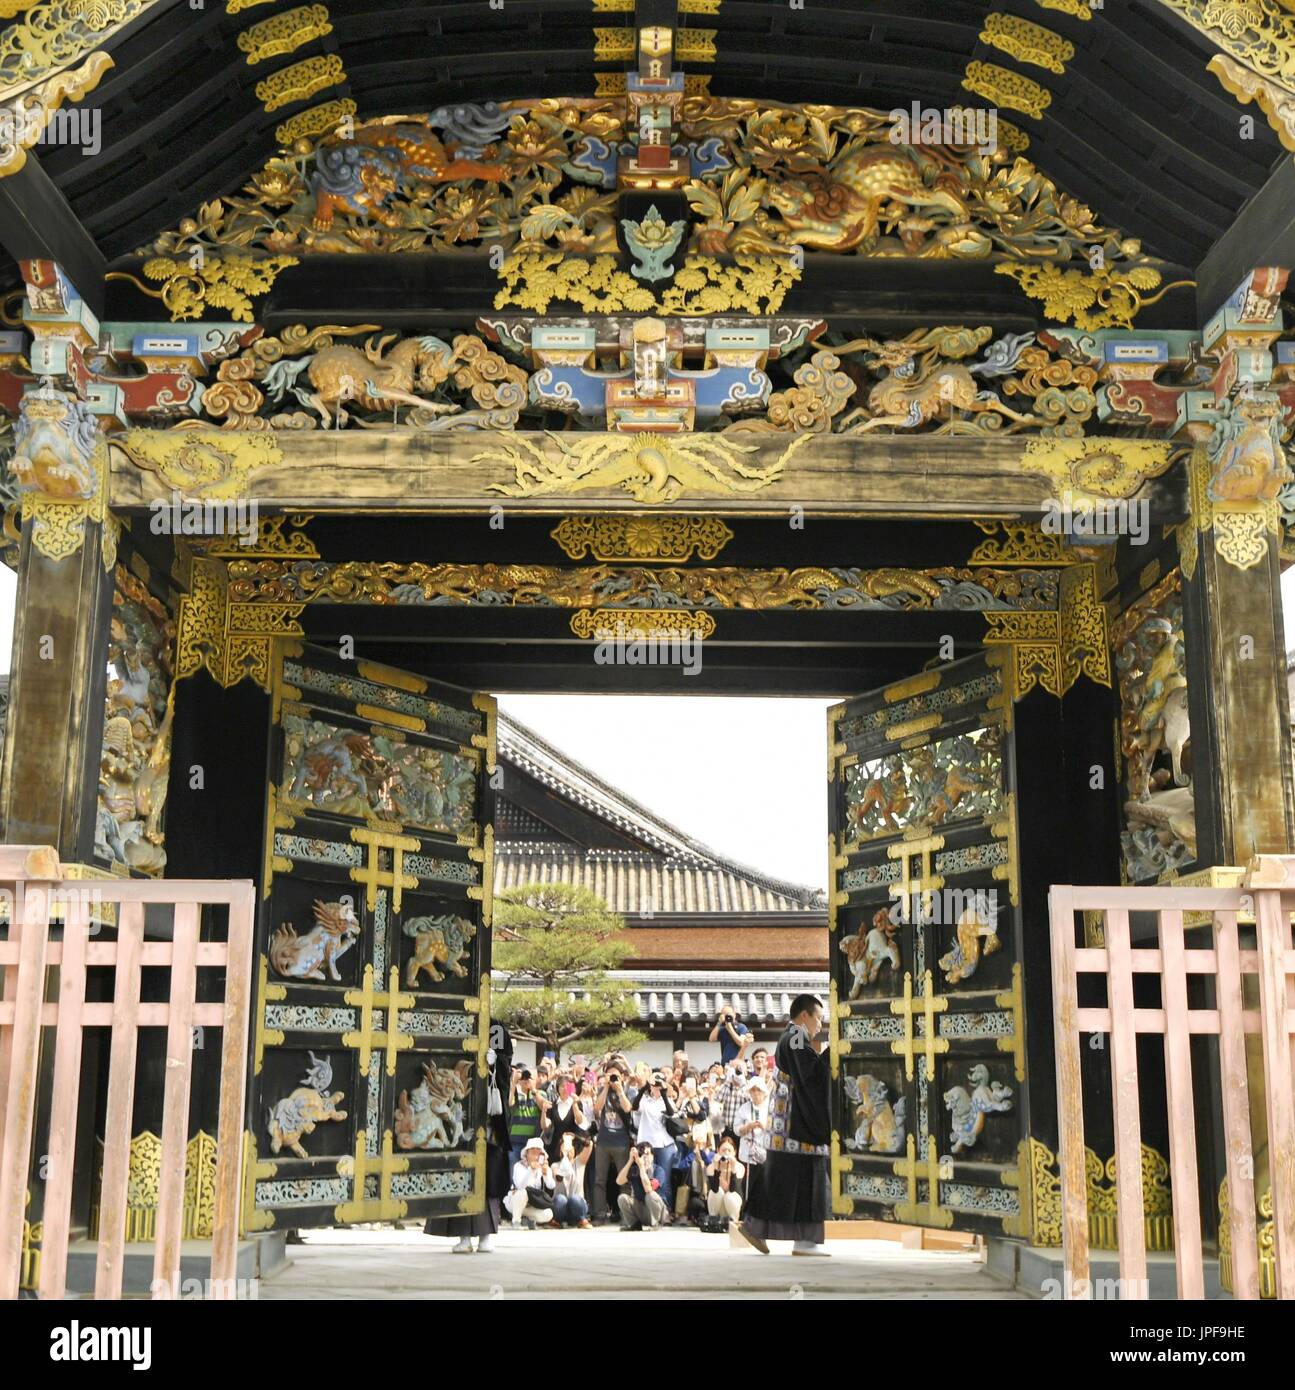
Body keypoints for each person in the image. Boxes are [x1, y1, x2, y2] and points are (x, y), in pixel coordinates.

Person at [733, 994, 832, 1258]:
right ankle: (804, 1242)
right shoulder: (797, 1037)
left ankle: (756, 1226)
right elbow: (811, 1073)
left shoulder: (788, 1038)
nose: (820, 1026)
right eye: (819, 1019)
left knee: (778, 1182)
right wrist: (835, 1051)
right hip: (796, 1127)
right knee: (801, 1182)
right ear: (804, 1016)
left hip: (786, 1127)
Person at [424, 1021, 513, 1253]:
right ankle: (463, 1235)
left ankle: (485, 1236)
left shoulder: (495, 1028)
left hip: (485, 1114)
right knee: (459, 1172)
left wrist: (498, 1062)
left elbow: (506, 1065)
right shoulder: (456, 1020)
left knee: (487, 1176)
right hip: (458, 1106)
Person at [591, 1062, 634, 1222]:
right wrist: (607, 1087)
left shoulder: (628, 1090)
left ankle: (626, 1214)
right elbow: (597, 1108)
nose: (613, 1078)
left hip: (621, 1142)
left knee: (624, 1180)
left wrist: (619, 1090)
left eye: (616, 1075)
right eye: (610, 1075)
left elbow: (628, 1108)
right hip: (603, 1141)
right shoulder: (604, 1090)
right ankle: (599, 1214)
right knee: (599, 1180)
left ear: (622, 1077)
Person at [632, 1071, 679, 1211]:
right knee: (644, 1176)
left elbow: (671, 1113)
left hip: (664, 1144)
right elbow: (634, 1107)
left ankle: (665, 1210)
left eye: (660, 1082)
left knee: (663, 1179)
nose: (657, 1085)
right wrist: (645, 1086)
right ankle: (646, 1209)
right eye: (655, 1083)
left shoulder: (668, 1100)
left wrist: (664, 1093)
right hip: (646, 1144)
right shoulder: (644, 1099)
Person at [734, 1074, 769, 1215]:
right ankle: (746, 1213)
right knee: (748, 1183)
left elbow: (777, 1129)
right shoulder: (744, 1108)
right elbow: (736, 1129)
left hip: (764, 1150)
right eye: (753, 1090)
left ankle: (763, 1212)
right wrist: (747, 1127)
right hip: (748, 1150)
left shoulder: (769, 1107)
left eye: (758, 1090)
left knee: (764, 1182)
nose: (755, 1093)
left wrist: (764, 1126)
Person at [506, 1137, 557, 1228]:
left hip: (533, 1203)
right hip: (515, 1201)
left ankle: (530, 1219)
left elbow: (551, 1186)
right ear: (527, 1153)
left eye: (538, 1150)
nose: (535, 1152)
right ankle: (516, 1221)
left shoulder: (544, 1167)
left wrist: (546, 1175)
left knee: (548, 1214)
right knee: (522, 1193)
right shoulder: (519, 1166)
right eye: (532, 1150)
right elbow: (521, 1186)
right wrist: (531, 1170)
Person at [616, 1142, 667, 1231]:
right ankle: (635, 1225)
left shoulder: (659, 1170)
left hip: (658, 1212)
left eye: (647, 1154)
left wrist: (642, 1167)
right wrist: (630, 1160)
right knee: (622, 1198)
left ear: (653, 1156)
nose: (645, 1157)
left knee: (650, 1195)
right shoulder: (635, 1170)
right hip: (642, 1210)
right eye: (642, 1154)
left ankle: (656, 1224)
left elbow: (648, 1189)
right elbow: (619, 1181)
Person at [553, 1133, 592, 1228]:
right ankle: (558, 1222)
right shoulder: (555, 1166)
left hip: (577, 1206)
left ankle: (582, 1219)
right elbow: (558, 1178)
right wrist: (565, 1158)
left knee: (574, 1198)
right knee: (560, 1199)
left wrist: (575, 1137)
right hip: (562, 1209)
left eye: (570, 1148)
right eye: (565, 1148)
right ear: (560, 1151)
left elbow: (589, 1144)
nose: (568, 1150)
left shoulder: (580, 1162)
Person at [508, 1068, 546, 1167]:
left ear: (536, 1079)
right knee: (515, 1175)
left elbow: (543, 1106)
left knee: (532, 1175)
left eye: (529, 1077)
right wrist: (513, 1083)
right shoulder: (515, 1094)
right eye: (524, 1077)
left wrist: (533, 1090)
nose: (526, 1080)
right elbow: (510, 1103)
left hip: (532, 1145)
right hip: (515, 1143)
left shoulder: (540, 1094)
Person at [546, 1076, 590, 1158]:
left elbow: (580, 1121)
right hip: (555, 1147)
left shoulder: (577, 1103)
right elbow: (547, 1125)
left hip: (573, 1146)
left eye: (568, 1086)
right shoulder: (552, 1105)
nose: (565, 1089)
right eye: (562, 1086)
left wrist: (574, 1104)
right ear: (558, 1088)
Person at [706, 1137, 746, 1224]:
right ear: (718, 1151)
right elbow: (714, 1189)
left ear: (734, 1152)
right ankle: (713, 1220)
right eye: (723, 1150)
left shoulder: (740, 1167)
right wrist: (716, 1168)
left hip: (732, 1205)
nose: (726, 1153)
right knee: (717, 1191)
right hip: (718, 1205)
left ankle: (733, 1221)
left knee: (730, 1196)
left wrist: (733, 1168)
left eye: (729, 1150)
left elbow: (733, 1189)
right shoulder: (711, 1167)